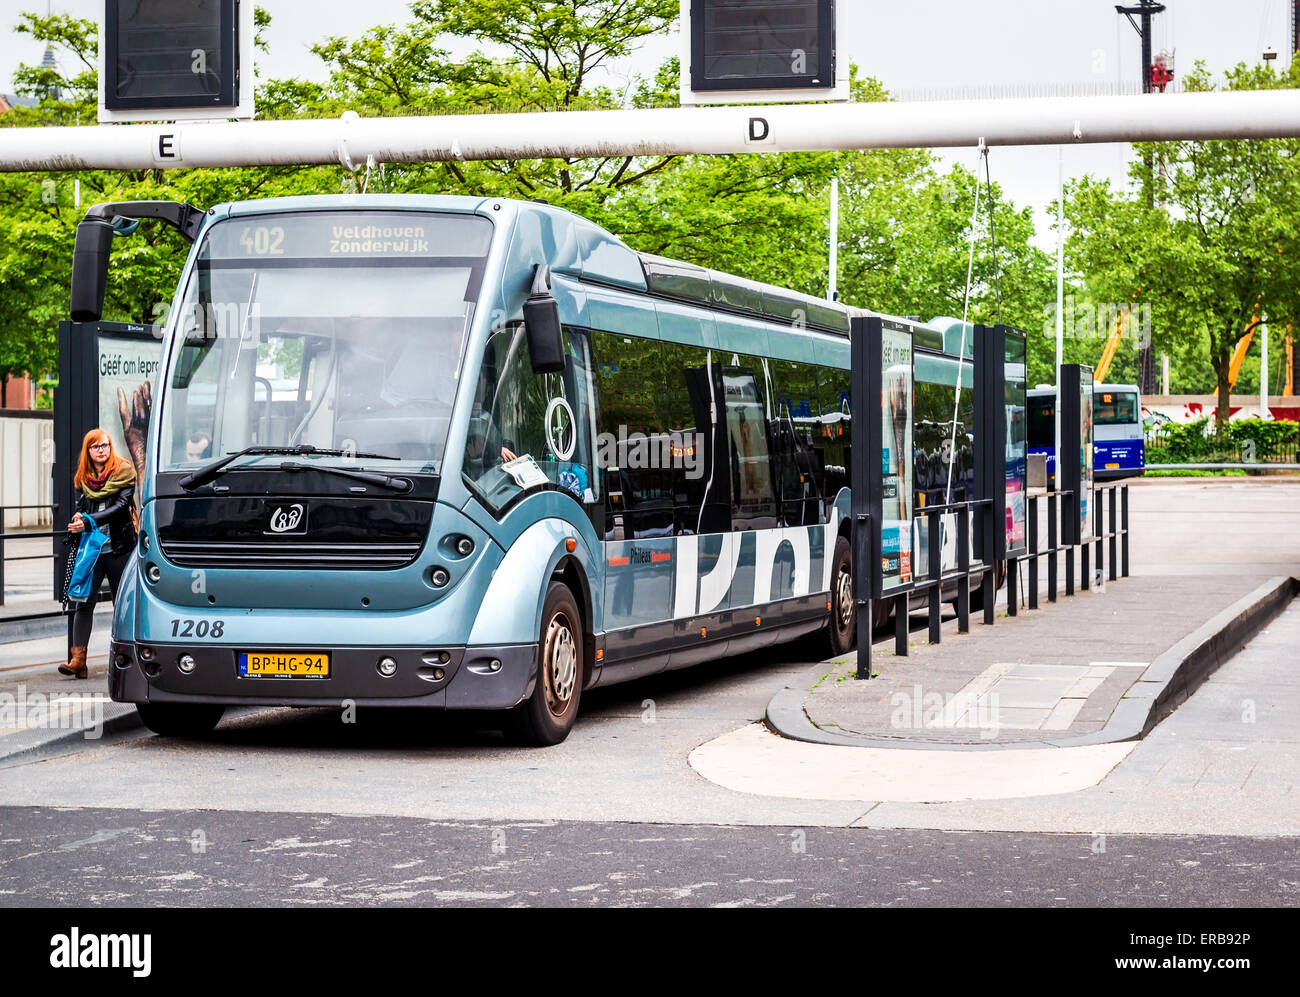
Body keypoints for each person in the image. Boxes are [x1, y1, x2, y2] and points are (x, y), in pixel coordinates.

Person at [60, 429, 137, 679]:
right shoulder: (82, 477)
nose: (101, 450)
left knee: (122, 605)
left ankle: (126, 659)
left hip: (118, 548)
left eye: (104, 445)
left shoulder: (124, 472)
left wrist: (89, 520)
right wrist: (78, 517)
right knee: (83, 602)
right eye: (95, 447)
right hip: (92, 550)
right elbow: (81, 506)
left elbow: (120, 507)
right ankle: (78, 660)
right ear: (88, 451)